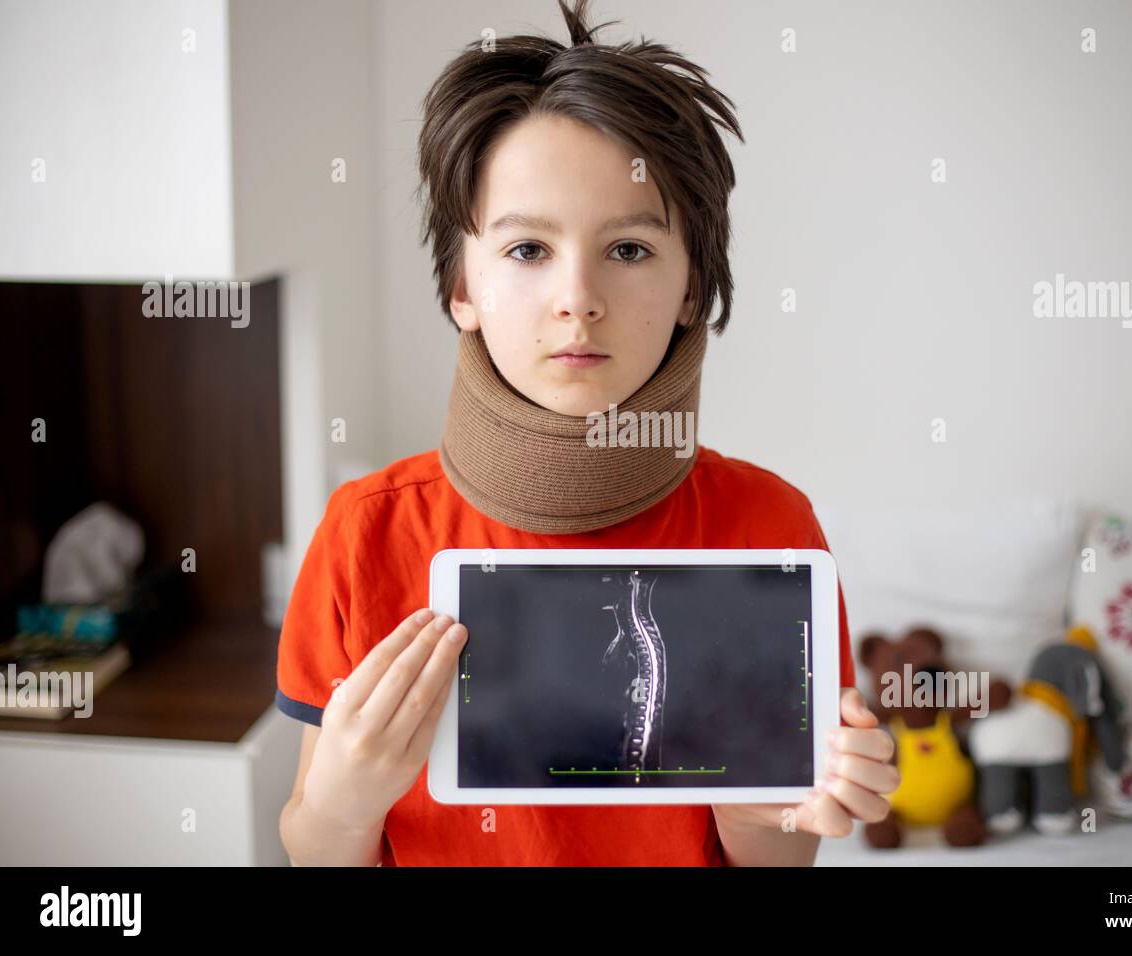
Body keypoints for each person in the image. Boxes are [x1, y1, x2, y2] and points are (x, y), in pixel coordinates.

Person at [276, 0, 898, 867]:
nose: (578, 298)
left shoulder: (771, 530)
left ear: (692, 287)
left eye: (631, 250)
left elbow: (778, 860)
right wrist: (342, 803)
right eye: (528, 250)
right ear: (463, 286)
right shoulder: (363, 531)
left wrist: (772, 816)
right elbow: (311, 849)